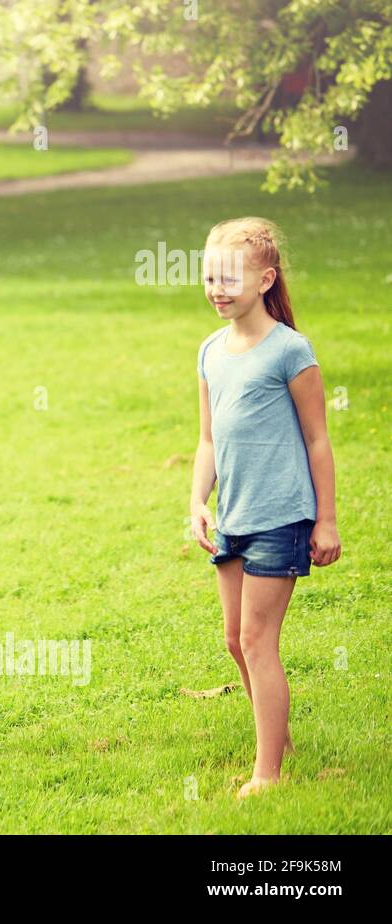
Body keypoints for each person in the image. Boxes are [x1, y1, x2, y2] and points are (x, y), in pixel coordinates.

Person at [188, 218, 341, 799]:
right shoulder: (209, 350)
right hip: (233, 514)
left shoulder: (290, 350)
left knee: (257, 641)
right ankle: (278, 740)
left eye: (229, 277)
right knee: (234, 640)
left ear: (265, 279)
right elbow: (207, 438)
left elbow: (318, 440)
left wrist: (325, 520)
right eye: (209, 277)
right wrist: (197, 501)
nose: (217, 288)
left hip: (281, 515)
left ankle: (267, 774)